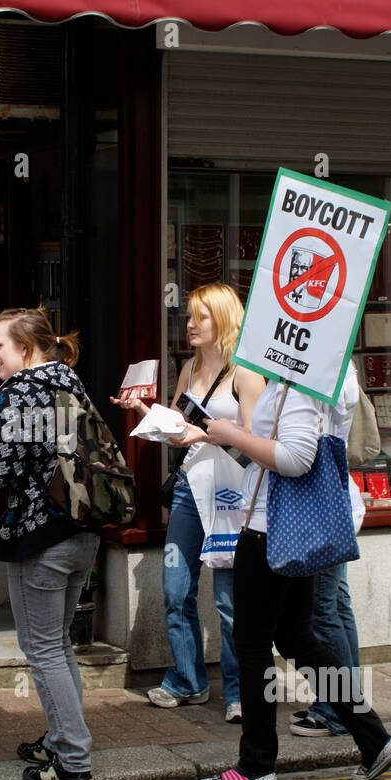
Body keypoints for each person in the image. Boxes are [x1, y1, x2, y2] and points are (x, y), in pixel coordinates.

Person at [197, 375, 391, 780]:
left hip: (270, 529)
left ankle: (256, 765)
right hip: (293, 525)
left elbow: (296, 458)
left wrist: (232, 434)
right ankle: (374, 738)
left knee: (253, 645)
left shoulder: (301, 382)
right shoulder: (329, 376)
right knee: (297, 639)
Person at [112, 284, 265, 722]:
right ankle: (188, 680)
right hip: (188, 489)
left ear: (223, 319)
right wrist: (143, 411)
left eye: (201, 316)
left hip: (231, 495)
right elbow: (176, 428)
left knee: (229, 601)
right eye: (190, 317)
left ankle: (239, 691)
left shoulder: (246, 374)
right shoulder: (189, 368)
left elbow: (258, 444)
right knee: (176, 589)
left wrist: (211, 434)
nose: (191, 325)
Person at [0, 307, 101, 780]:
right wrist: (4, 442)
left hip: (41, 534)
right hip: (80, 530)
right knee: (59, 644)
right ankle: (61, 737)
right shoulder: (69, 380)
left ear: (25, 350)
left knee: (43, 648)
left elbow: (5, 472)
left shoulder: (21, 389)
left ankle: (72, 758)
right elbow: (45, 448)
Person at [292, 363, 368, 737]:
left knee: (322, 611)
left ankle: (337, 710)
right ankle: (351, 704)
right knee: (337, 603)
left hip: (324, 506)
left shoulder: (325, 370)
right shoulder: (344, 365)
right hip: (339, 500)